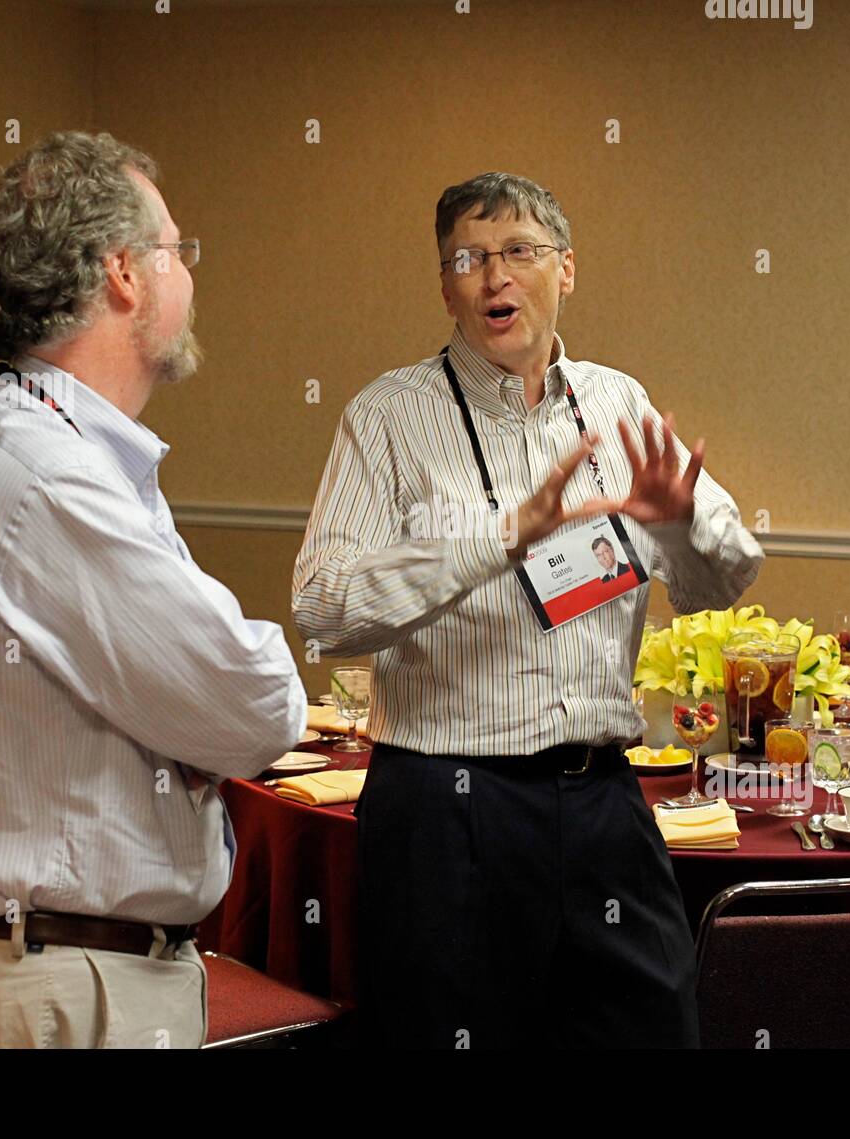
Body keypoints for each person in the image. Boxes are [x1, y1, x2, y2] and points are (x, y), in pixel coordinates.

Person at [293, 171, 764, 1048]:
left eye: (519, 251)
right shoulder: (386, 417)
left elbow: (719, 582)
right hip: (445, 810)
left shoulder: (616, 401)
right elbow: (324, 607)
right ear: (445, 286)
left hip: (602, 803)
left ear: (567, 270)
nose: (494, 277)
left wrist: (684, 520)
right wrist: (501, 538)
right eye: (468, 259)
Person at [0, 131, 308, 1049]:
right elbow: (260, 703)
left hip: (37, 970)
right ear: (123, 272)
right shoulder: (46, 479)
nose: (189, 277)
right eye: (177, 250)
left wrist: (180, 715)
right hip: (56, 990)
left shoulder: (9, 445)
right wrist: (194, 721)